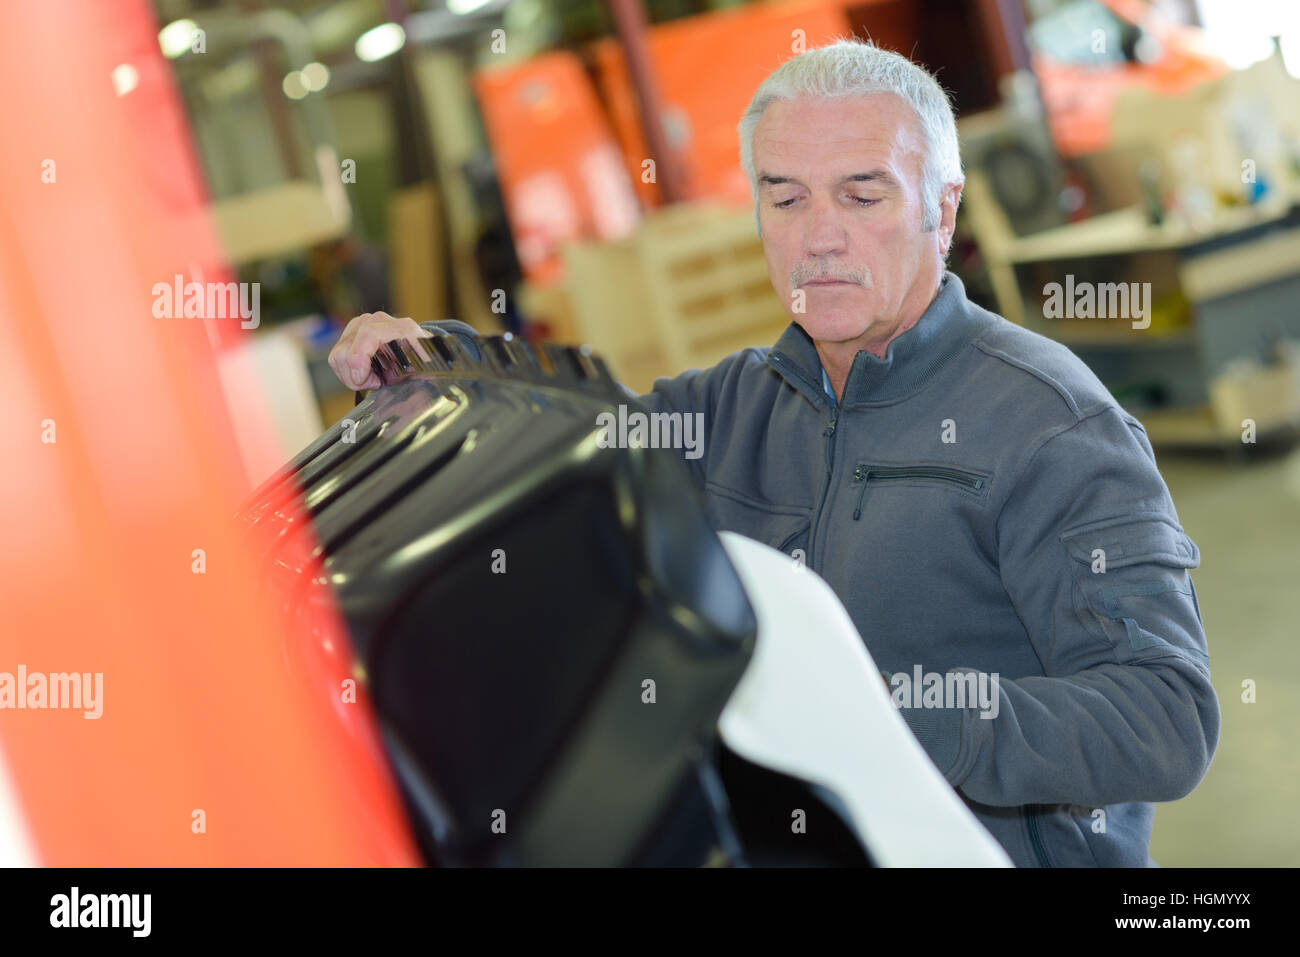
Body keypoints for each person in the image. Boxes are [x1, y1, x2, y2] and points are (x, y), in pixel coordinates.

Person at [327, 39, 1219, 867]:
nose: (817, 235)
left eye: (863, 195)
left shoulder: (1049, 423)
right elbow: (570, 440)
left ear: (942, 211)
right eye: (785, 196)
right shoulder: (735, 403)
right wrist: (431, 360)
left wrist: (895, 716)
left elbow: (1164, 717)